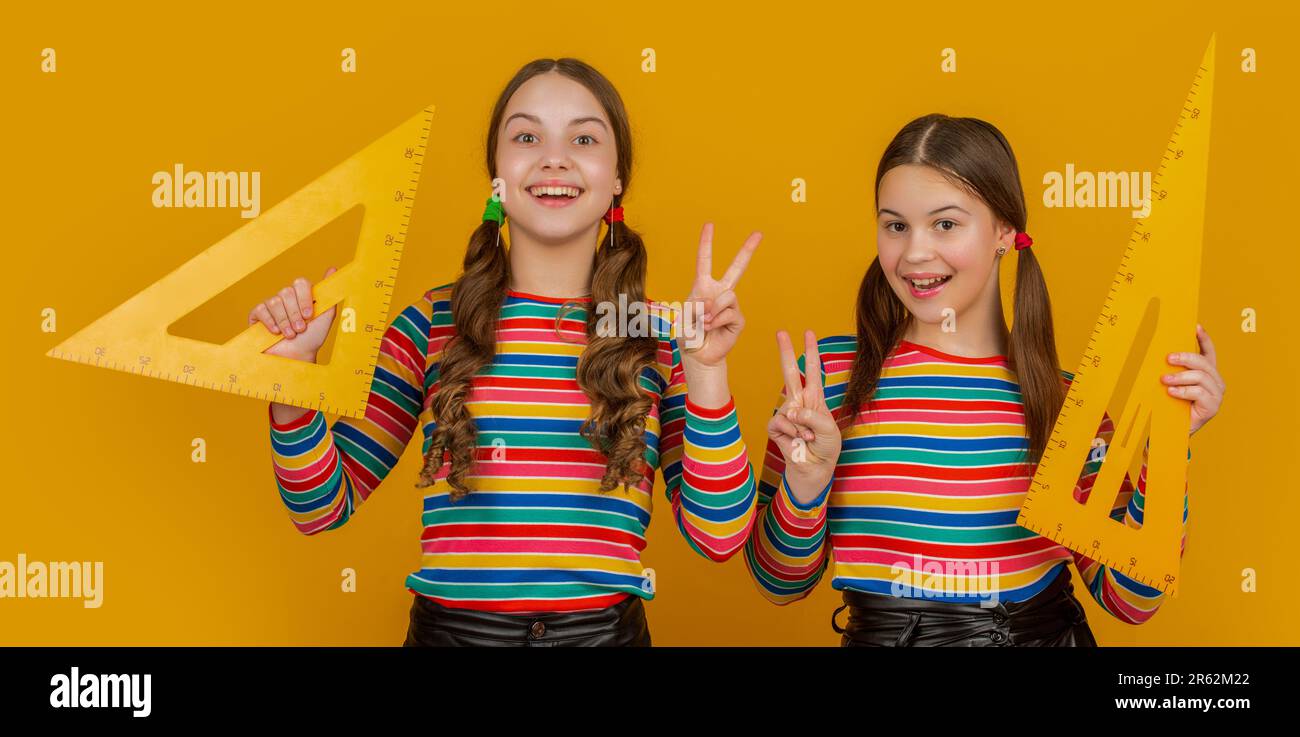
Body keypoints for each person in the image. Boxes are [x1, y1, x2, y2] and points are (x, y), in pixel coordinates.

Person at [252, 58, 761, 646]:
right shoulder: (433, 323)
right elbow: (321, 508)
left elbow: (719, 537)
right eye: (526, 136)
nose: (554, 157)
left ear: (617, 176)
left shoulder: (655, 332)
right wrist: (292, 385)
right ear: (496, 174)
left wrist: (707, 368)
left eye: (585, 138)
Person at [744, 113, 1224, 646]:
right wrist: (805, 486)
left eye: (945, 224)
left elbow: (1130, 600)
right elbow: (779, 581)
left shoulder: (1064, 404)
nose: (915, 253)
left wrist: (1167, 446)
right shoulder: (828, 379)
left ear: (1003, 231)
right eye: (895, 225)